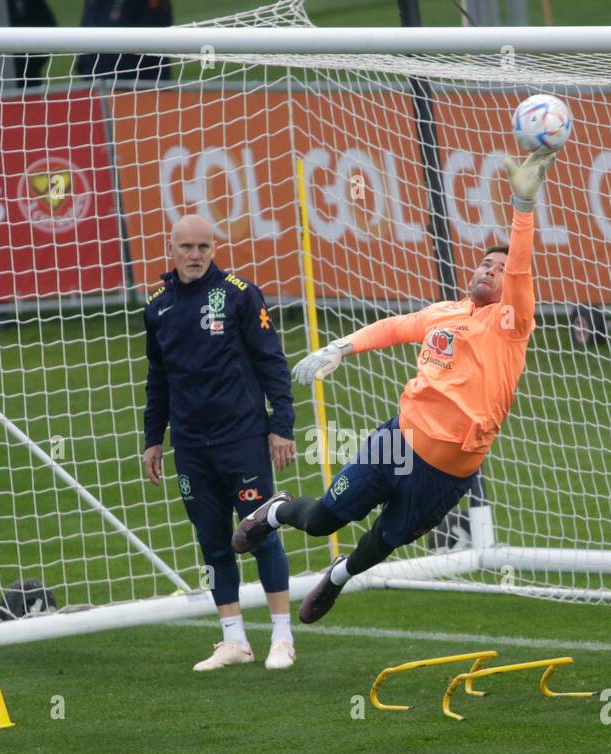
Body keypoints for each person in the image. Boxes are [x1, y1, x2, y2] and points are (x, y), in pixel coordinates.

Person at [232, 149, 558, 623]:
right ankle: (274, 513)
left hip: (448, 472)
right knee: (324, 520)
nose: (490, 269)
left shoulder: (510, 322)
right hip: (398, 443)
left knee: (386, 539)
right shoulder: (443, 313)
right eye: (485, 262)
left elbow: (523, 265)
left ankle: (338, 578)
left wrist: (523, 208)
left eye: (500, 268)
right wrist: (339, 348)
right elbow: (394, 326)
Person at [143, 215, 298, 670]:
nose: (195, 255)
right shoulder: (157, 306)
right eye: (187, 247)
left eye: (203, 247)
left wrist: (281, 426)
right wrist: (155, 438)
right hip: (190, 446)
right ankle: (234, 640)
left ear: (215, 248)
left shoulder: (239, 295)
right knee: (211, 542)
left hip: (242, 438)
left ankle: (282, 638)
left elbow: (271, 361)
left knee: (260, 534)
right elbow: (158, 379)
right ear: (171, 249)